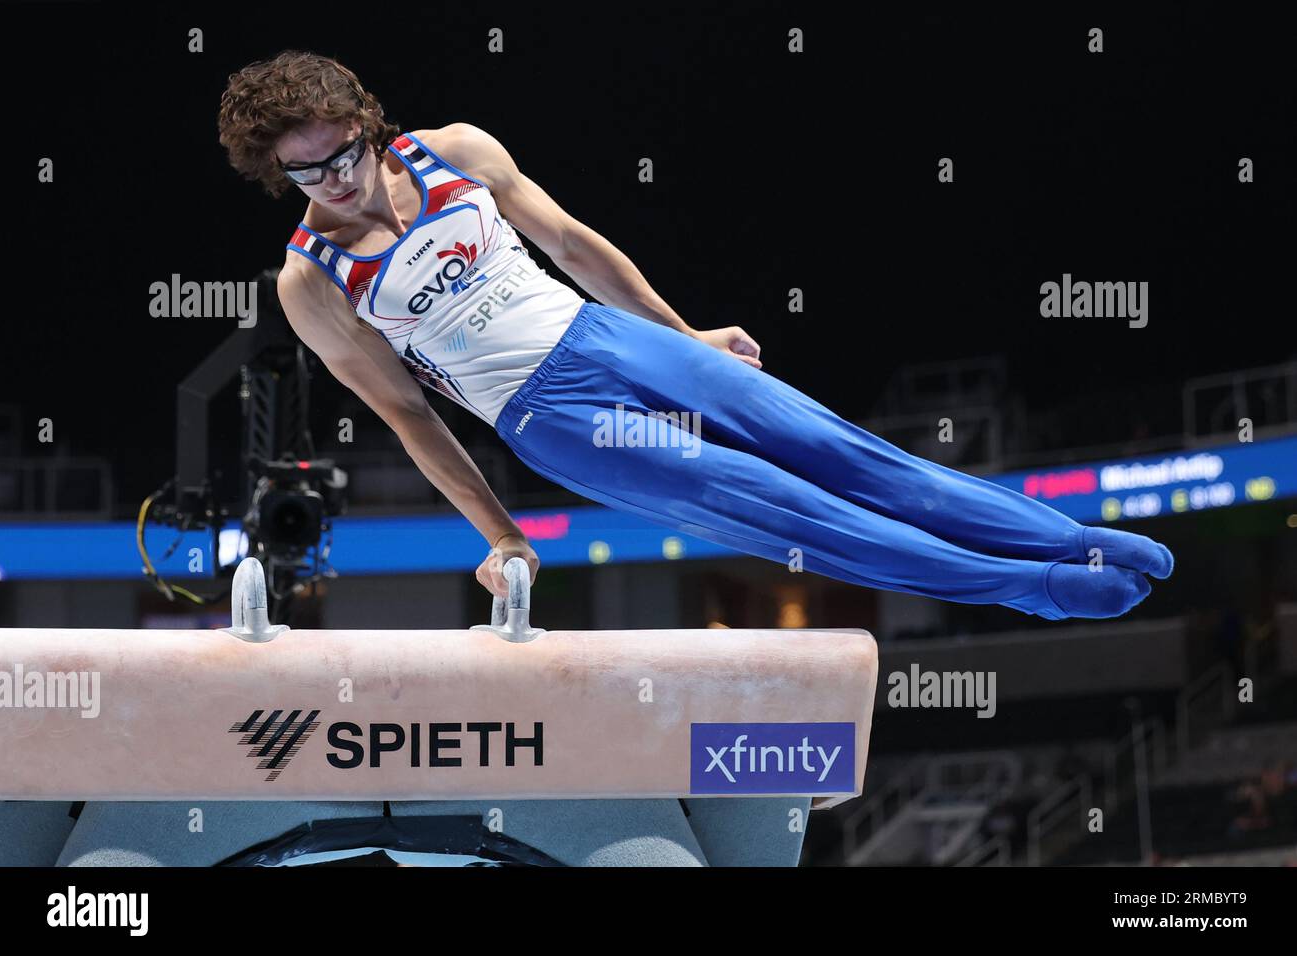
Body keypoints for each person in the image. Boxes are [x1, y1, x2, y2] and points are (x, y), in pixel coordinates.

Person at [217, 50, 1174, 620]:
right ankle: (1036, 587)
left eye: (342, 153)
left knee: (848, 456)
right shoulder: (313, 280)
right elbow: (410, 418)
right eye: (306, 173)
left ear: (366, 123)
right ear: (279, 175)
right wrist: (504, 534)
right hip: (551, 416)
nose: (335, 180)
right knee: (795, 514)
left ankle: (1070, 540)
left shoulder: (457, 151)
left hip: (612, 336)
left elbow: (573, 245)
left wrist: (687, 338)